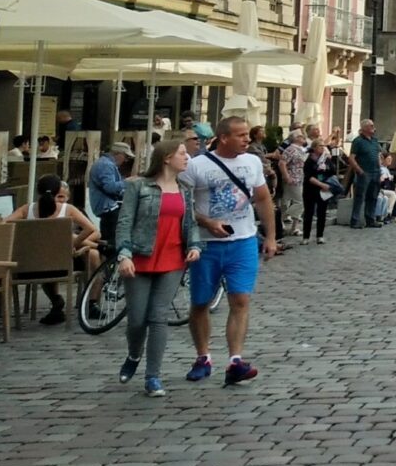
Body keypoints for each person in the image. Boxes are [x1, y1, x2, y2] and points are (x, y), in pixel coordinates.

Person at [183, 116, 278, 386]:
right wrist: (207, 222)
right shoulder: (196, 166)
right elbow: (181, 204)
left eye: (248, 134)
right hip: (206, 244)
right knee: (200, 302)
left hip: (243, 241)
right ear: (224, 138)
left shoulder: (252, 162)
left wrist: (270, 237)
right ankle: (203, 357)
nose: (247, 139)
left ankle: (235, 360)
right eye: (241, 135)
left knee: (240, 301)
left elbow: (262, 198)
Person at [113, 139, 201, 396]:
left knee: (158, 316)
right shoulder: (139, 186)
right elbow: (125, 221)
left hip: (173, 259)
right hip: (140, 257)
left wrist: (194, 245)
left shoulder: (185, 188)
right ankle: (133, 355)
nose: (187, 158)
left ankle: (153, 377)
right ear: (166, 157)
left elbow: (191, 222)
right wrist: (124, 255)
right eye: (183, 153)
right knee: (137, 319)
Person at [5, 176, 102, 324]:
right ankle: (91, 302)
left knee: (45, 260)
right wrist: (73, 243)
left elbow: (5, 224)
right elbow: (91, 228)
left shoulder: (26, 210)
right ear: (57, 191)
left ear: (38, 192)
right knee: (92, 257)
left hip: (31, 265)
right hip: (62, 263)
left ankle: (56, 300)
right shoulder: (67, 209)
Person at [88, 142, 131, 250]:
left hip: (107, 208)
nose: (125, 160)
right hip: (108, 208)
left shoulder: (106, 164)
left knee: (109, 241)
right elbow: (110, 187)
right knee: (112, 244)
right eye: (125, 156)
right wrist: (128, 182)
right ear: (118, 153)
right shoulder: (106, 165)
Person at [348, 121, 382, 229]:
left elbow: (378, 155)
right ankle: (355, 220)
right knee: (360, 197)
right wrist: (359, 171)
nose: (373, 127)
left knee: (373, 197)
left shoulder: (375, 141)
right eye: (371, 126)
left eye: (373, 125)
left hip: (375, 172)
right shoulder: (358, 141)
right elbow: (352, 158)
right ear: (364, 128)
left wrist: (380, 168)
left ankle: (370, 219)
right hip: (364, 172)